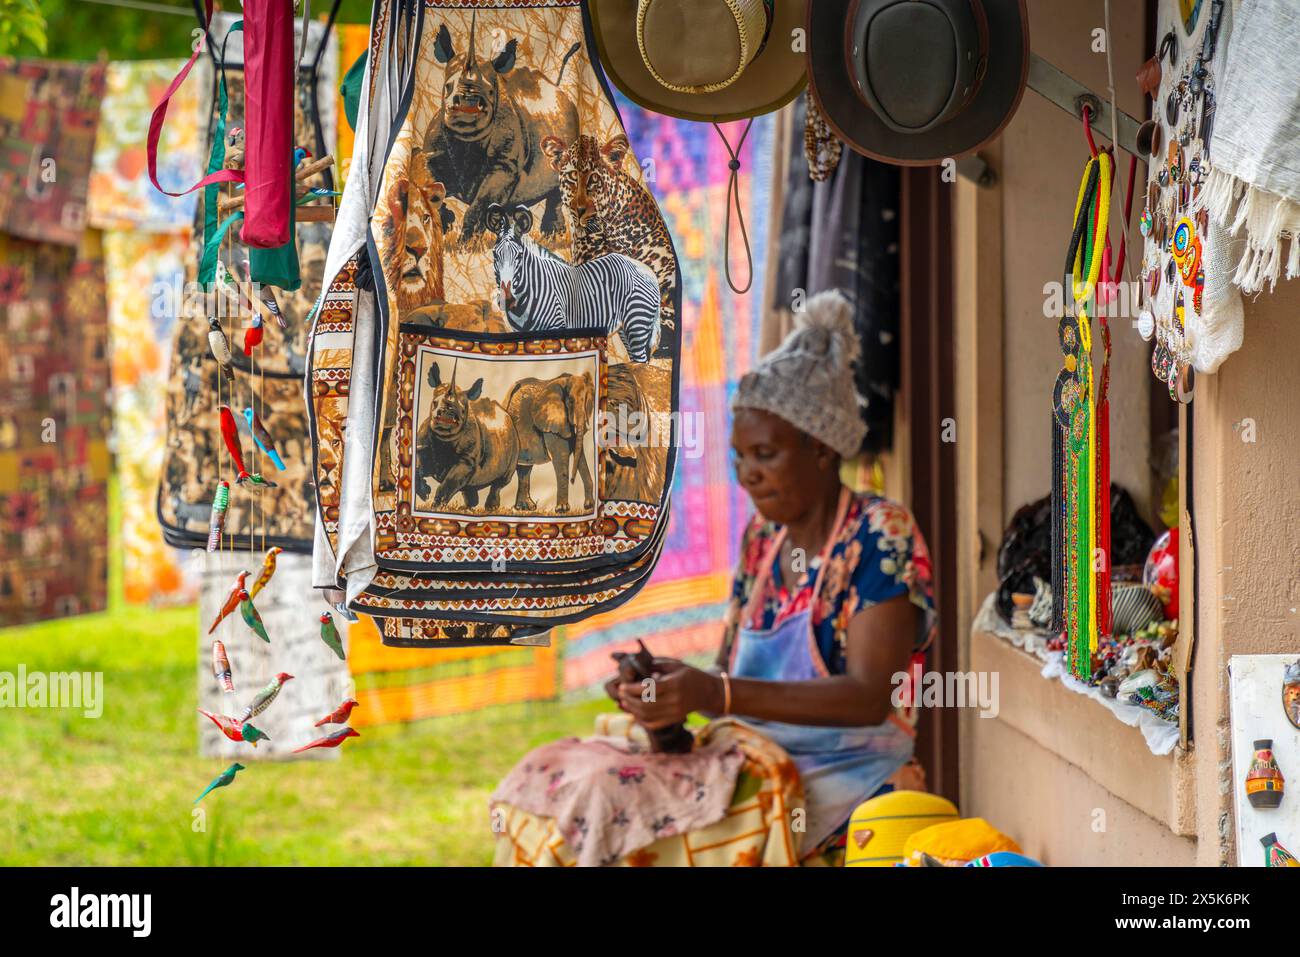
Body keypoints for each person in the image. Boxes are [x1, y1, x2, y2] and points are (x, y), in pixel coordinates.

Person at [492, 291, 936, 866]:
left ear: (822, 449)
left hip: (846, 788)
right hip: (748, 765)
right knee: (559, 779)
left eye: (766, 454)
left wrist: (712, 692)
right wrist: (666, 710)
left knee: (609, 811)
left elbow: (868, 698)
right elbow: (728, 690)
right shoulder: (762, 540)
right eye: (739, 458)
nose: (749, 474)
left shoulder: (880, 534)